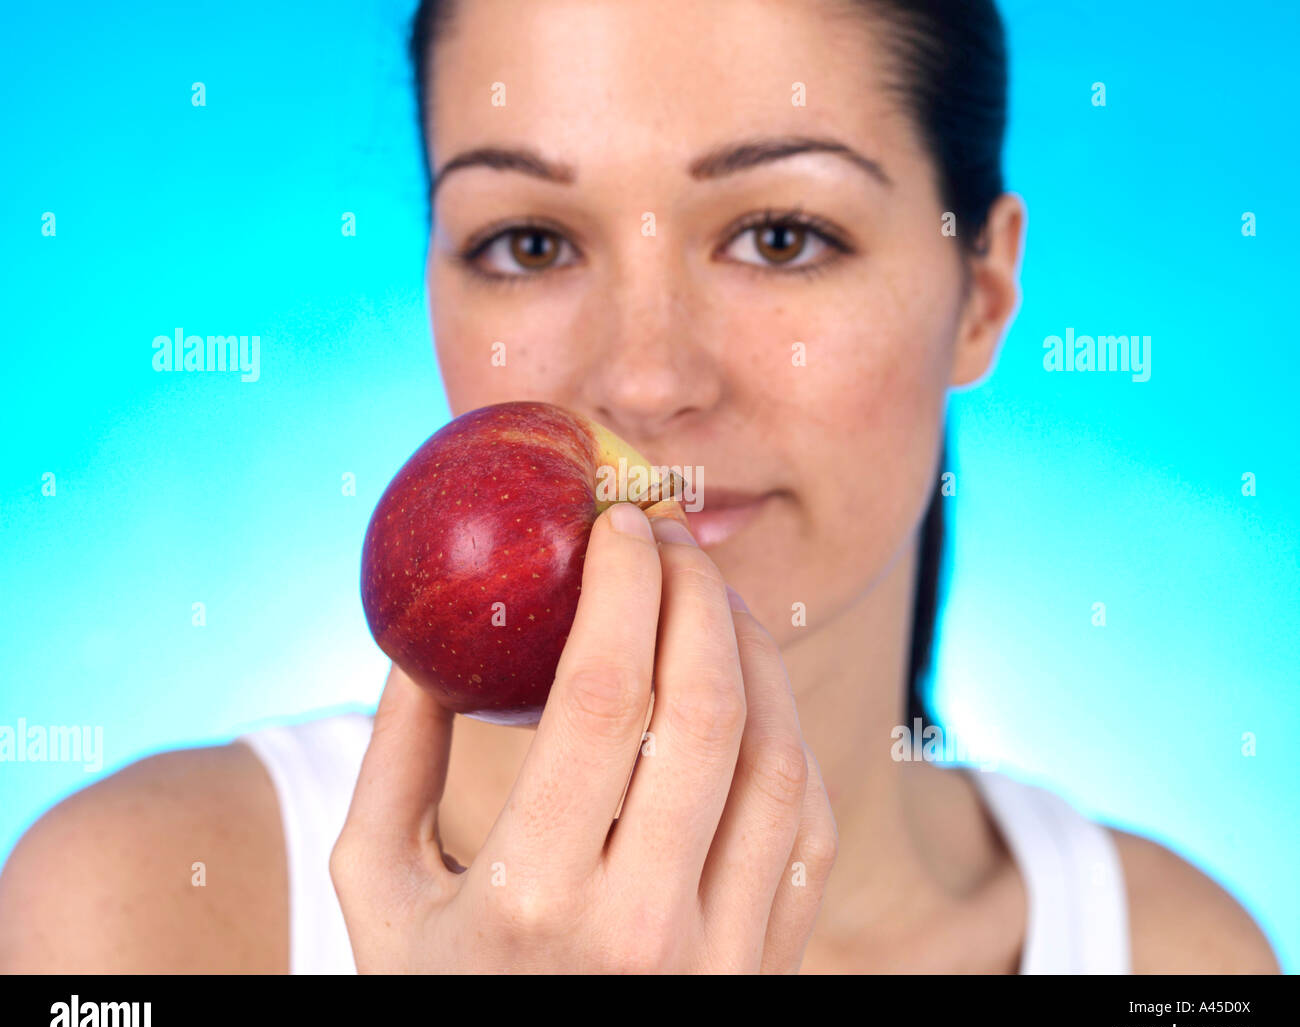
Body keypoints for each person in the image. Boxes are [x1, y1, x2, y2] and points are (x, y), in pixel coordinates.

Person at [0, 0, 1280, 974]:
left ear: (980, 295)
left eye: (782, 236)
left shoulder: (1184, 965)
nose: (647, 381)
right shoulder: (138, 915)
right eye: (532, 242)